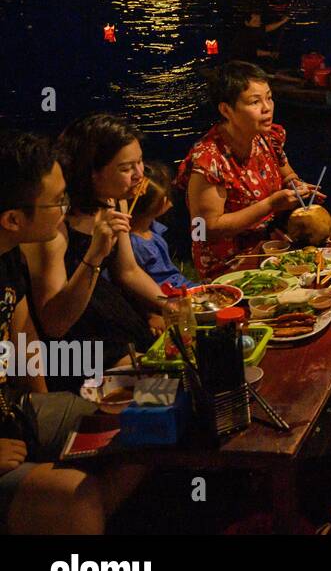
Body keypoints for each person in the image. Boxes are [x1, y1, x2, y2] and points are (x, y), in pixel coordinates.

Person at [0, 130, 146, 533]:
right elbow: (55, 326)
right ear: (13, 219)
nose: (64, 209)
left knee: (148, 420)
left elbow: (24, 333)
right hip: (79, 362)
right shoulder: (48, 243)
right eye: (56, 201)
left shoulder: (8, 254)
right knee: (75, 496)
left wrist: (44, 409)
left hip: (17, 409)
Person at [23, 115, 166, 392]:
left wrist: (171, 304)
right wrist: (96, 254)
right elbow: (54, 323)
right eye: (126, 167)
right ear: (92, 173)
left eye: (140, 162)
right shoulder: (55, 228)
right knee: (159, 393)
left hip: (117, 321)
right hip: (79, 348)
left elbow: (128, 271)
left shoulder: (114, 200)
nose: (140, 175)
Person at [177, 61, 316, 279]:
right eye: (255, 102)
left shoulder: (267, 138)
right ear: (226, 110)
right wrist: (270, 204)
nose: (267, 107)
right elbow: (206, 229)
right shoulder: (209, 160)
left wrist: (296, 186)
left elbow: (286, 173)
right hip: (229, 265)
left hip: (271, 246)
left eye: (269, 97)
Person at [128, 161, 193, 291]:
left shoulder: (151, 229)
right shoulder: (139, 246)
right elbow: (162, 283)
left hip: (181, 287)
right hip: (172, 295)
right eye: (166, 195)